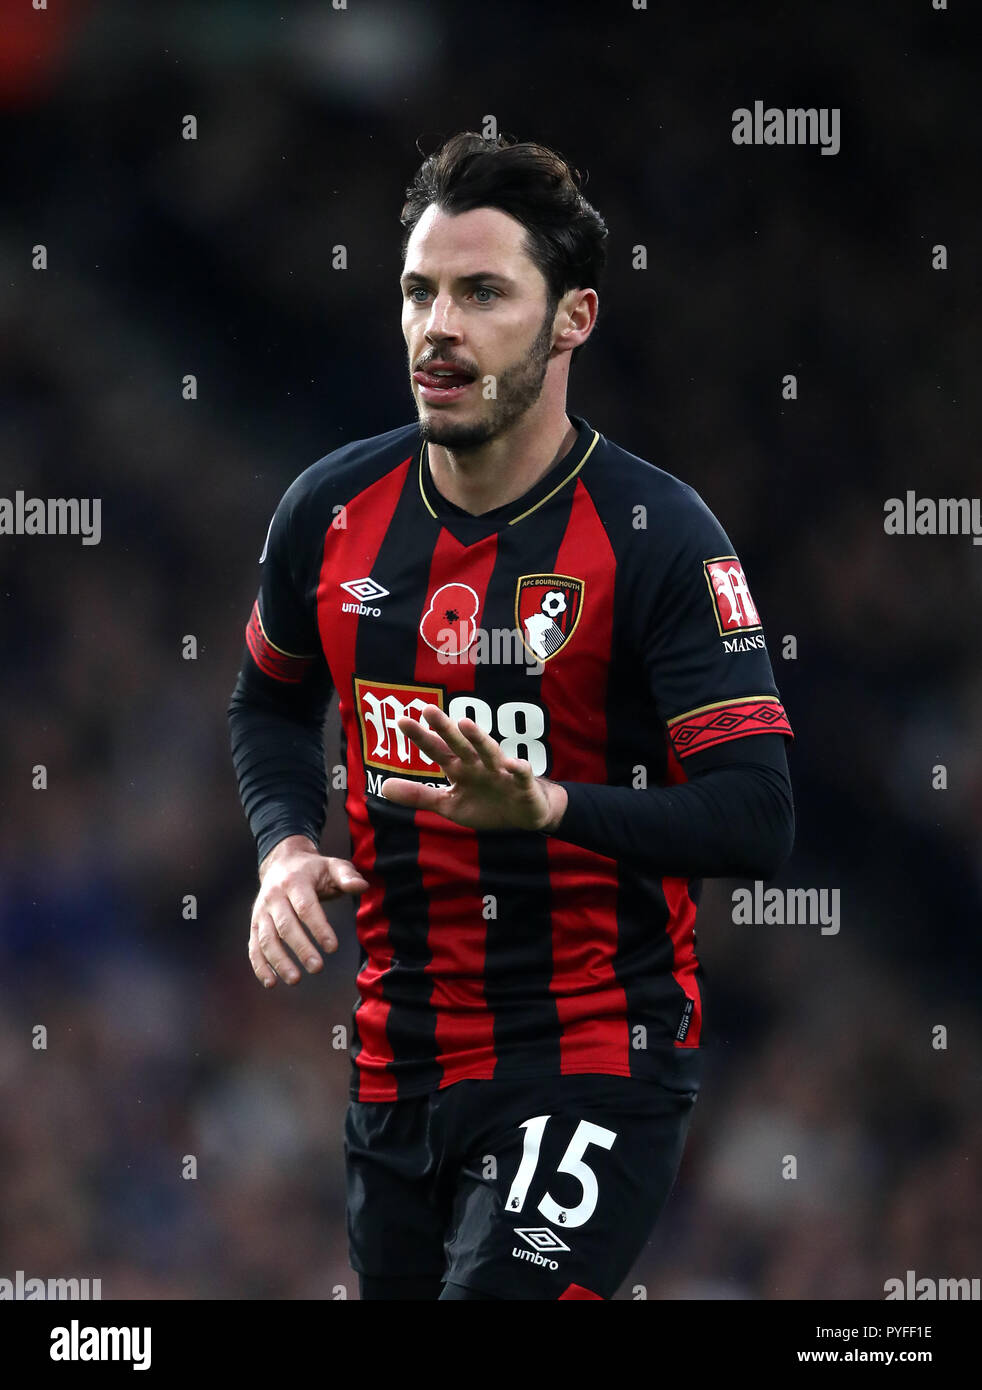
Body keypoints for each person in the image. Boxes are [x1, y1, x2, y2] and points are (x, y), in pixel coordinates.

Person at [227, 131, 794, 1301]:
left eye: (484, 293)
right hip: (394, 1069)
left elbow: (758, 815)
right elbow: (270, 702)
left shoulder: (658, 538)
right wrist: (286, 844)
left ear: (571, 319)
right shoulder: (330, 513)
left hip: (593, 1057)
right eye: (420, 291)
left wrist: (540, 805)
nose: (440, 326)